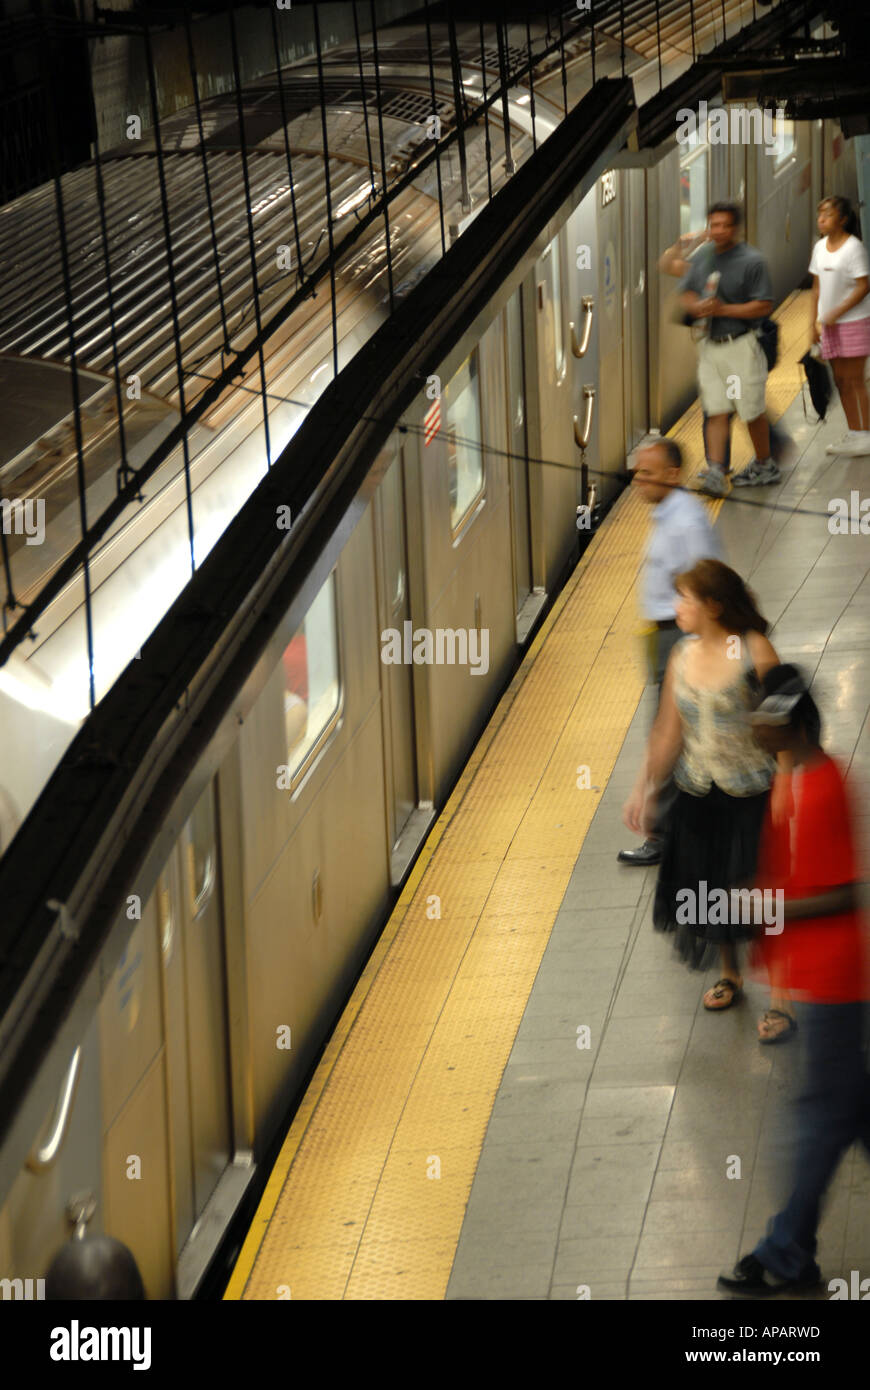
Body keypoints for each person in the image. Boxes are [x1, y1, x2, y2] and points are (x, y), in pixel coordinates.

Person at [718, 665, 869, 1296]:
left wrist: (762, 908)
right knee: (849, 1107)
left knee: (819, 1117)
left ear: (787, 718)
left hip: (835, 977)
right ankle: (791, 1249)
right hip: (811, 972)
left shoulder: (823, 785)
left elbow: (840, 895)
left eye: (759, 714)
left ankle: (786, 1251)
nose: (750, 725)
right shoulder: (789, 774)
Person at [622, 559, 790, 1008]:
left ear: (713, 606)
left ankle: (782, 998)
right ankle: (730, 973)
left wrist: (789, 786)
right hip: (698, 791)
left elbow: (785, 724)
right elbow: (667, 731)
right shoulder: (681, 655)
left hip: (753, 792)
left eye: (685, 598)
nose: (676, 605)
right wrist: (643, 788)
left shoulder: (755, 650)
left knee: (760, 891)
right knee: (709, 887)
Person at [616, 440, 722, 867]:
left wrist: (694, 643)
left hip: (677, 637)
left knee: (668, 733)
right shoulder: (667, 514)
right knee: (671, 730)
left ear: (673, 474)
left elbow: (704, 584)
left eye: (647, 473)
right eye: (638, 472)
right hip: (662, 634)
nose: (639, 480)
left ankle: (663, 835)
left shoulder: (686, 521)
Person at [659, 231, 792, 471]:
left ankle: (722, 466)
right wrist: (683, 243)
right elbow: (666, 264)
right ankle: (748, 456)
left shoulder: (739, 271)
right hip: (718, 353)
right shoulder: (701, 270)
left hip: (739, 350)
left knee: (723, 409)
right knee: (732, 406)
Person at [680, 204, 779, 497]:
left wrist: (725, 309)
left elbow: (764, 304)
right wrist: (695, 306)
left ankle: (765, 463)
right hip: (710, 348)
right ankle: (715, 470)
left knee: (750, 409)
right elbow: (686, 291)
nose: (718, 231)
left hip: (741, 346)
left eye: (724, 225)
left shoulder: (752, 261)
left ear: (735, 228)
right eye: (713, 225)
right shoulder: (702, 256)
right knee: (716, 409)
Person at [810, 194, 870, 457]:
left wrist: (838, 311)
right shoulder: (820, 247)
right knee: (841, 381)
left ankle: (866, 433)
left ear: (843, 219)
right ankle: (854, 432)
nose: (822, 219)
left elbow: (864, 285)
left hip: (854, 323)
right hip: (829, 326)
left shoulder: (853, 248)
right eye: (820, 214)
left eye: (828, 214)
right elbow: (816, 287)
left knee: (855, 380)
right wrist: (812, 323)